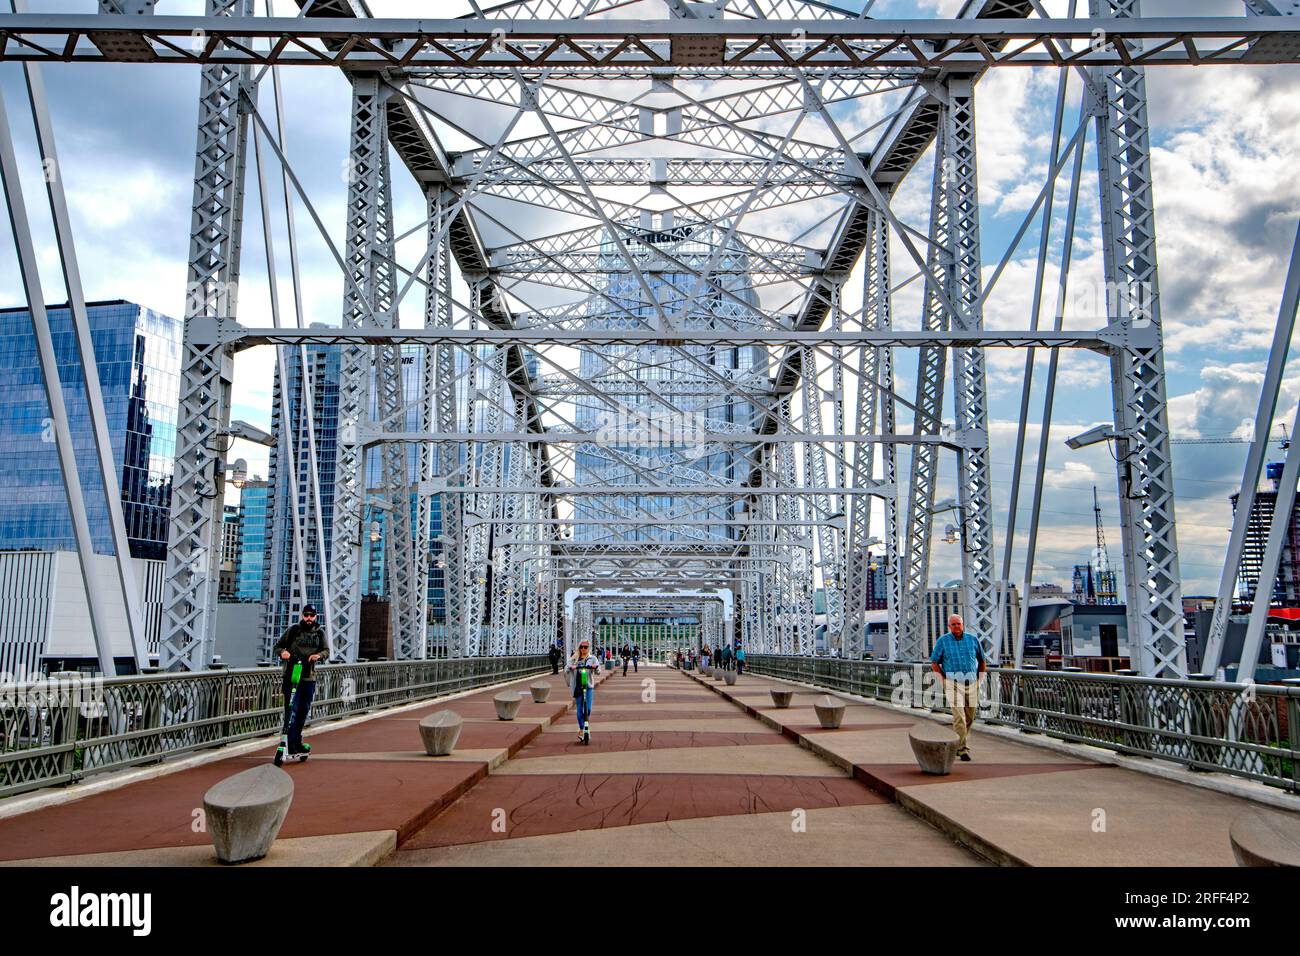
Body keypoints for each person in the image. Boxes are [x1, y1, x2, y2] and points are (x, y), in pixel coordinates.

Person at [273, 604, 330, 758]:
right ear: (302, 615)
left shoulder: (319, 633)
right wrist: (283, 653)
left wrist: (318, 656)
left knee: (303, 712)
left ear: (316, 616)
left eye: (312, 615)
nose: (309, 618)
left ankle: (296, 742)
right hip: (291, 676)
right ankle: (288, 744)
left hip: (308, 677)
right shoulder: (293, 630)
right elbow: (277, 647)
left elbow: (326, 650)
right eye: (306, 615)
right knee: (291, 709)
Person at [930, 613, 986, 762]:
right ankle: (963, 750)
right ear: (949, 627)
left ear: (963, 625)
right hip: (953, 683)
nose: (956, 627)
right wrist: (943, 679)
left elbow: (982, 660)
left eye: (958, 624)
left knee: (970, 717)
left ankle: (956, 743)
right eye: (953, 624)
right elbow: (934, 662)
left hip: (972, 683)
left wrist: (980, 679)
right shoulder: (943, 641)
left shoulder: (973, 640)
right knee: (959, 717)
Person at [567, 638, 601, 744]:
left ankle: (584, 726)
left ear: (588, 648)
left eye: (585, 647)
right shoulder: (574, 658)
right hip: (578, 686)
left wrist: (595, 667)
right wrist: (571, 667)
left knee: (589, 709)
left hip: (589, 686)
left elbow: (599, 671)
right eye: (581, 647)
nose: (583, 649)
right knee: (579, 709)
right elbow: (566, 667)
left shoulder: (592, 658)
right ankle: (582, 729)